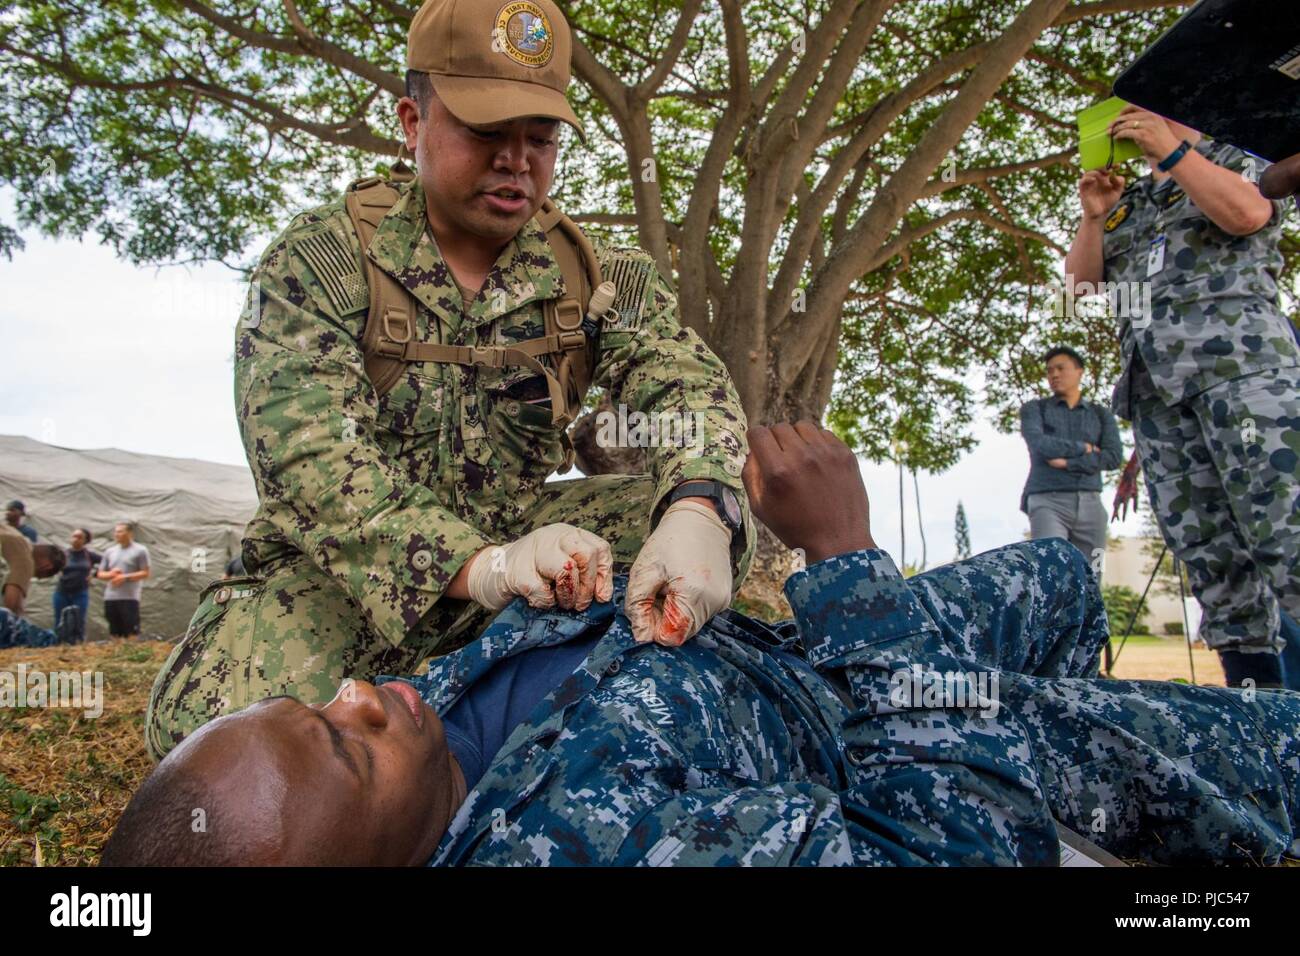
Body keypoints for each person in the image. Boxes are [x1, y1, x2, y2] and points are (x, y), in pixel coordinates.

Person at [105, 423, 1300, 867]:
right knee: (1255, 753)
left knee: (1055, 579)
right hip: (894, 721)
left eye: (328, 698)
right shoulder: (595, 840)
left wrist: (571, 570)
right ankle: (1106, 804)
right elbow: (954, 851)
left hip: (794, 658)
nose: (368, 692)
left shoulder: (417, 726)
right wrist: (841, 558)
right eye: (349, 743)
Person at [146, 0, 753, 759]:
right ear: (412, 121)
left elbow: (682, 380)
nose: (516, 160)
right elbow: (313, 469)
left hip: (533, 554)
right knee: (222, 727)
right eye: (486, 131)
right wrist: (484, 567)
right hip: (346, 580)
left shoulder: (594, 277)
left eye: (540, 137)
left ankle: (569, 708)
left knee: (703, 530)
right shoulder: (321, 264)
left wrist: (697, 505)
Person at [1064, 105, 1300, 690]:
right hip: (1157, 397)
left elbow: (1248, 214)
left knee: (1286, 532)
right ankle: (1263, 717)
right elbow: (1081, 289)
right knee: (1211, 561)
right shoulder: (1130, 201)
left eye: (1141, 109)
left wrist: (1173, 151)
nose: (1126, 120)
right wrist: (1094, 218)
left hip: (1241, 375)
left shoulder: (1231, 156)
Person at [1019, 346, 1123, 564]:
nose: (1054, 375)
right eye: (1049, 371)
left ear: (1079, 371)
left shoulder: (1100, 414)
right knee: (1051, 571)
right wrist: (1084, 448)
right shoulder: (1035, 409)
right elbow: (1039, 444)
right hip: (1047, 500)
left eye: (1060, 368)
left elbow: (1113, 457)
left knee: (1092, 575)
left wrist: (1067, 462)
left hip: (1091, 502)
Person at [0, 523, 67, 648]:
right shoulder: (26, 559)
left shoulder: (14, 533)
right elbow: (12, 605)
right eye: (36, 576)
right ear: (47, 566)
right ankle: (53, 640)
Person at [96, 521, 151, 640]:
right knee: (114, 629)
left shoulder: (140, 550)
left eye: (120, 531)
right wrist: (111, 574)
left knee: (131, 629)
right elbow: (100, 574)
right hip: (111, 596)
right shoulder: (110, 551)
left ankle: (131, 654)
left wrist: (124, 577)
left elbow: (145, 573)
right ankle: (116, 654)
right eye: (115, 532)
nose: (117, 534)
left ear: (130, 533)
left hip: (129, 597)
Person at [53, 528, 101, 644]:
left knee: (78, 619)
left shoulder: (89, 556)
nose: (76, 539)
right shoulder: (64, 554)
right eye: (74, 536)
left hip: (80, 592)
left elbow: (107, 563)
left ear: (85, 540)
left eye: (79, 537)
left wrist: (94, 574)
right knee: (60, 619)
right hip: (62, 591)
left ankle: (78, 644)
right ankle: (58, 644)